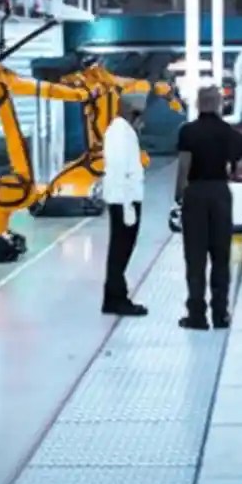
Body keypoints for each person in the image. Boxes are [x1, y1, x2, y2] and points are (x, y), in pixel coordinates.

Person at [175, 86, 242, 330]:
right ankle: (220, 314)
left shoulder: (188, 132)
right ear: (219, 104)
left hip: (195, 193)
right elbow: (238, 169)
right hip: (220, 194)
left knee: (195, 257)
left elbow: (184, 166)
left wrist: (178, 195)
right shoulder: (232, 134)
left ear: (197, 103)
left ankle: (196, 315)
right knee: (220, 256)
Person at [100, 92, 150, 317]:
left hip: (125, 199)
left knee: (122, 250)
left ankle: (117, 296)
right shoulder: (120, 132)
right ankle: (115, 299)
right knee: (120, 251)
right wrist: (127, 206)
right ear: (133, 112)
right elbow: (119, 170)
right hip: (123, 201)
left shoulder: (124, 131)